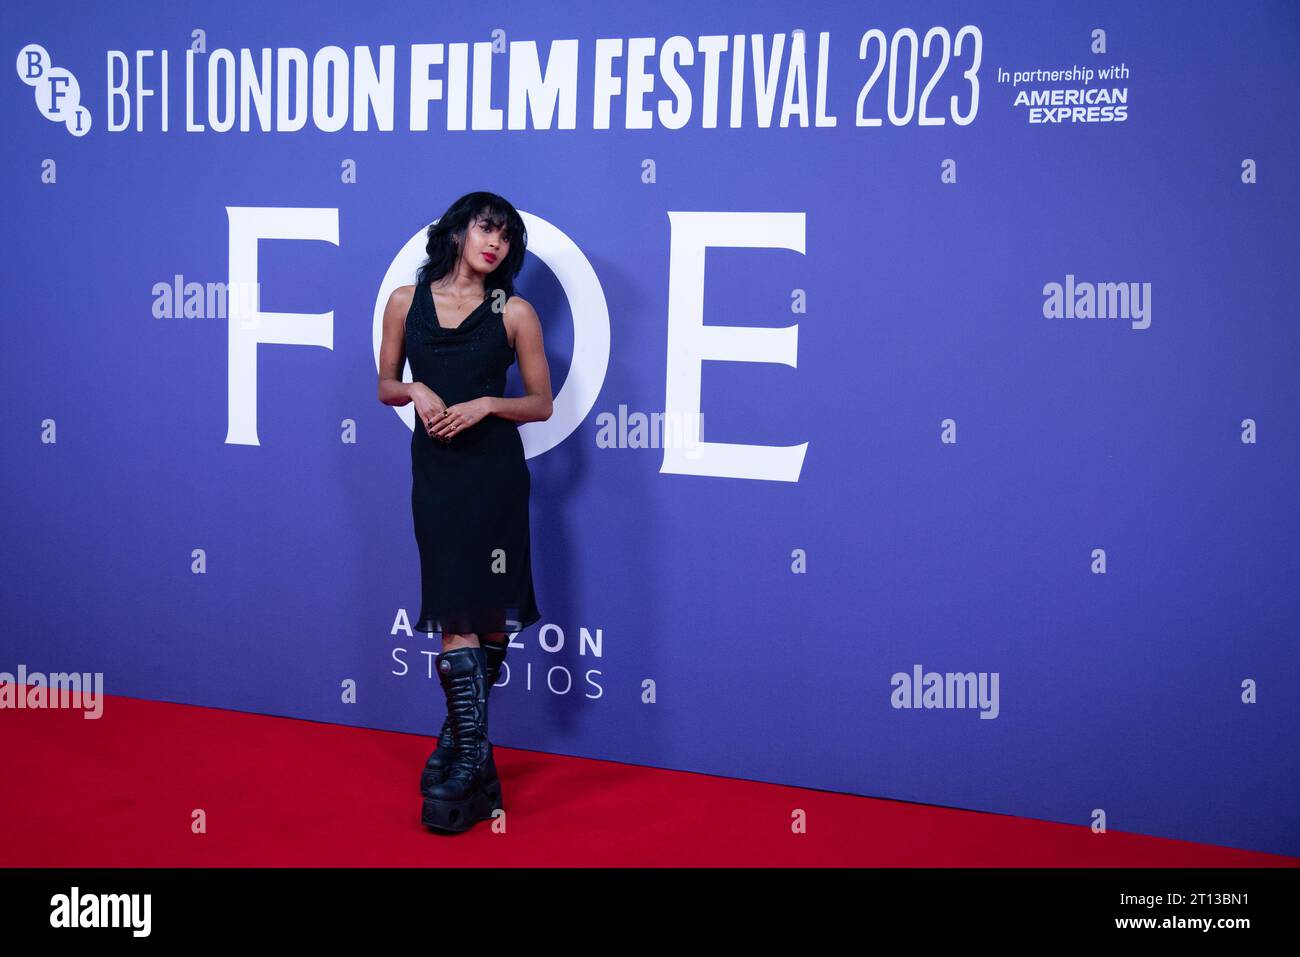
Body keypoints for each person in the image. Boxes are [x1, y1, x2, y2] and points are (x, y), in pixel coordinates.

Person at [377, 192, 552, 833]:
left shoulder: (516, 313)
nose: (495, 242)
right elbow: (384, 385)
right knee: (454, 607)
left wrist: (486, 404)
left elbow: (540, 403)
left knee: (488, 614)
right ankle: (471, 759)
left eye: (506, 236)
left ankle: (463, 753)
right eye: (485, 228)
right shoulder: (406, 302)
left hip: (495, 477)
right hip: (438, 476)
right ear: (457, 232)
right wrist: (416, 389)